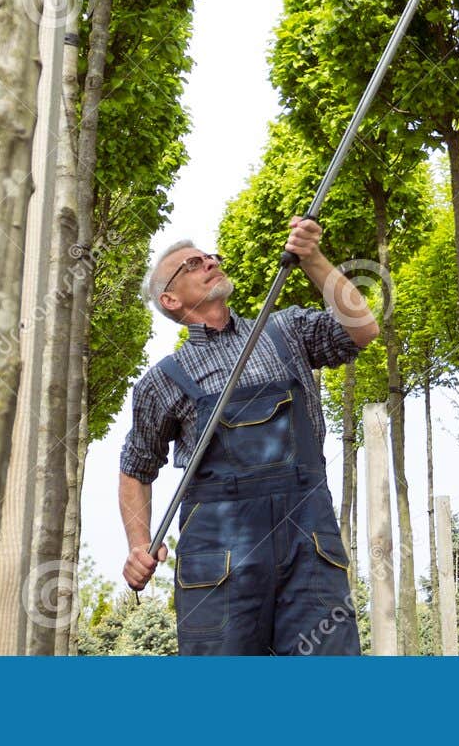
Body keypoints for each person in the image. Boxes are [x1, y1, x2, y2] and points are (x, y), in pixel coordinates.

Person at [117, 217, 379, 655]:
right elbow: (135, 467)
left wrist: (313, 258)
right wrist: (138, 544)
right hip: (217, 556)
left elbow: (363, 329)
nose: (209, 262)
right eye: (192, 264)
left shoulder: (286, 332)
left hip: (307, 537)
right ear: (170, 299)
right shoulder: (161, 382)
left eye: (209, 256)